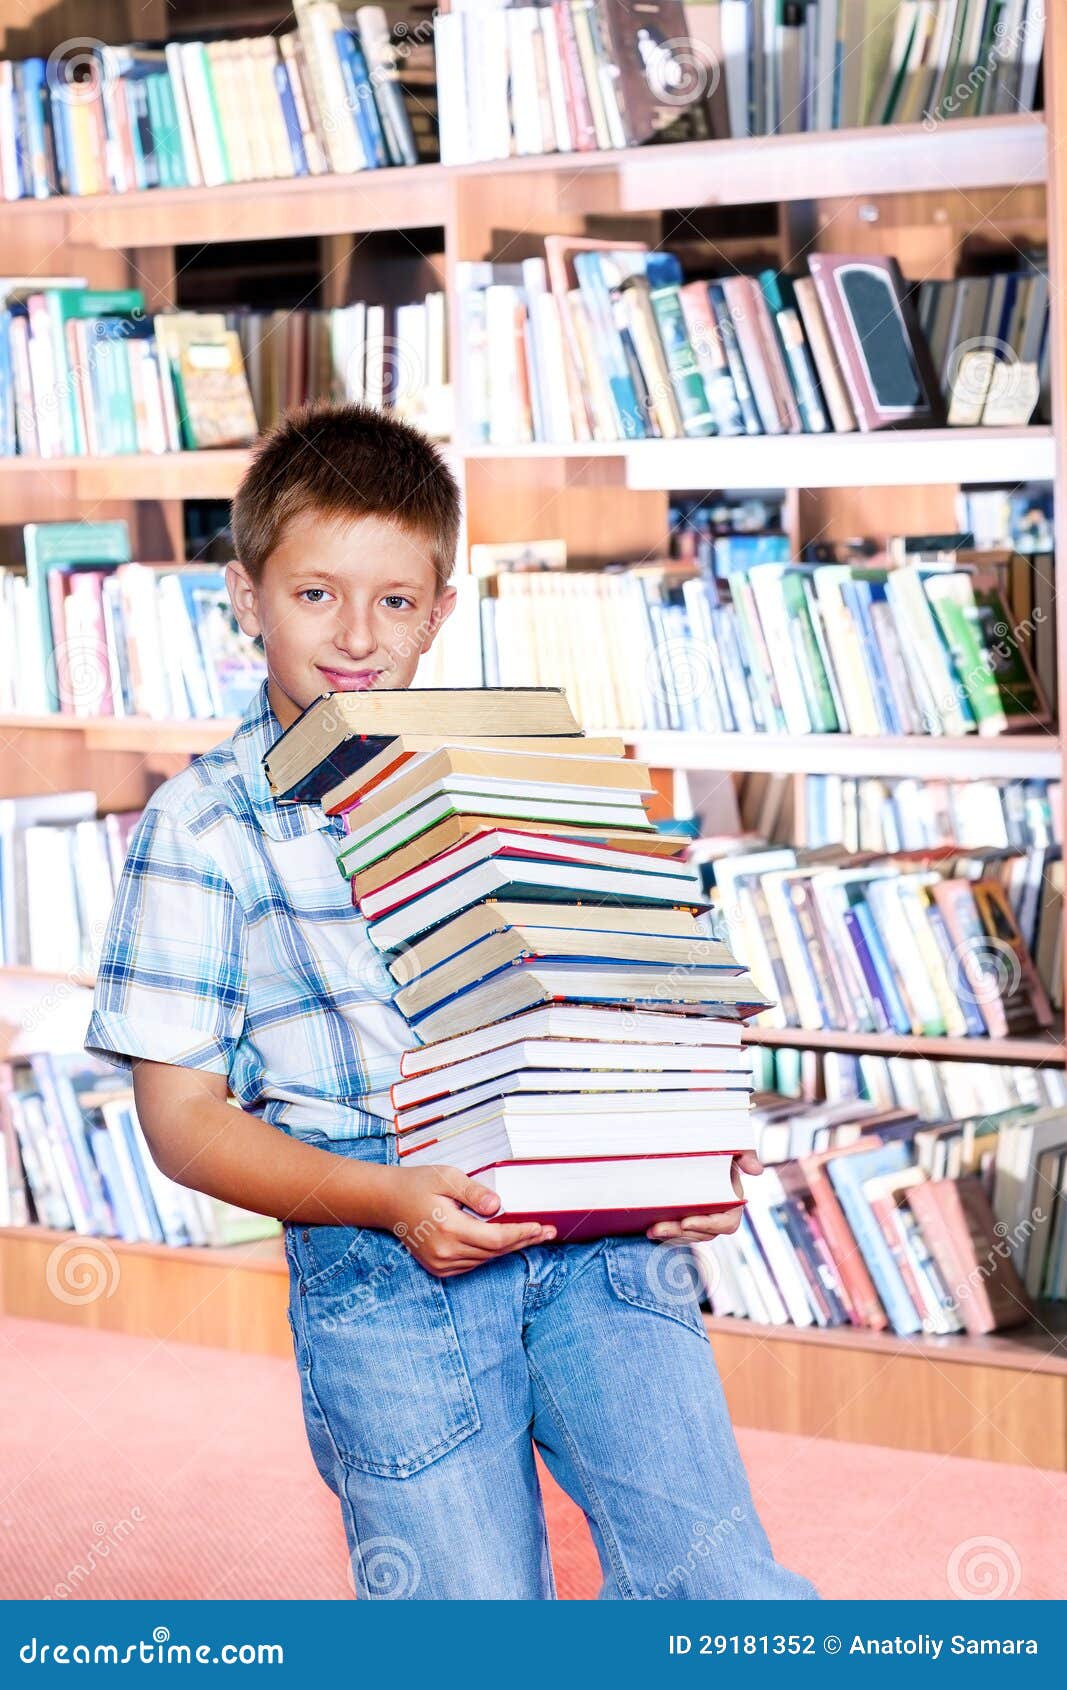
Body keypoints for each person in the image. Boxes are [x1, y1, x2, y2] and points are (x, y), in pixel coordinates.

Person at [86, 400, 818, 1603]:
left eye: (394, 599)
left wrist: (669, 1158)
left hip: (597, 1249)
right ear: (243, 598)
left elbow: (632, 1011)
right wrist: (388, 1197)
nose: (356, 634)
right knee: (467, 1620)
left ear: (440, 606)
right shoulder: (202, 827)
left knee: (728, 1594)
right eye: (315, 593)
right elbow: (184, 1120)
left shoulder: (529, 769)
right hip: (386, 1269)